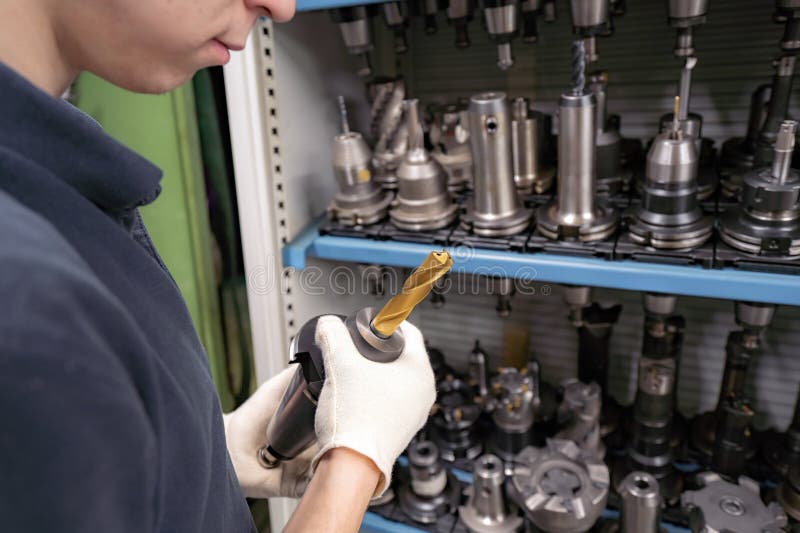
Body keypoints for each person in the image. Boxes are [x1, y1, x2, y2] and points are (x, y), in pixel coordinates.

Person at [0, 1, 436, 532]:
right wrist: (353, 465)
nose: (282, 6)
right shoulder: (23, 301)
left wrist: (201, 456)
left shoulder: (47, 183)